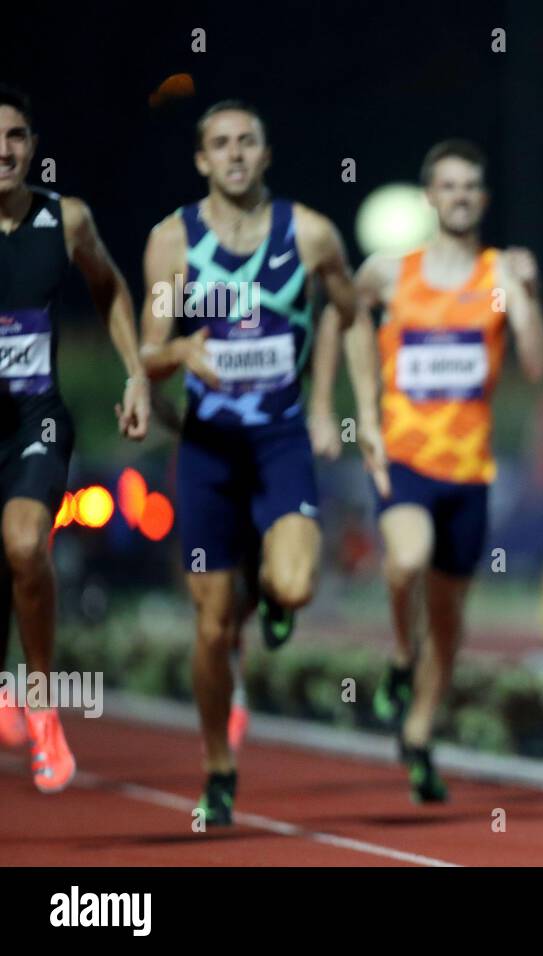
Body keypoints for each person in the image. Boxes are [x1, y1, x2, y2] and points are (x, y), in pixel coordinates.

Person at [139, 100, 378, 825]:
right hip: (209, 448)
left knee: (297, 585)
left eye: (248, 141)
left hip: (279, 440)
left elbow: (348, 312)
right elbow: (147, 351)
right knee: (212, 628)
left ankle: (268, 594)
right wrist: (179, 352)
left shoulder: (309, 233)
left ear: (266, 154)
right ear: (201, 160)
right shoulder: (171, 241)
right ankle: (217, 768)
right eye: (221, 144)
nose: (236, 154)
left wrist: (336, 406)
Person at [323, 139, 543, 802]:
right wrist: (341, 408)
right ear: (429, 198)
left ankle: (419, 734)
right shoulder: (390, 273)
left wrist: (529, 294)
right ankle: (401, 653)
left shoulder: (499, 273)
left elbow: (536, 364)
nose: (459, 196)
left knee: (449, 618)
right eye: (447, 186)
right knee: (405, 560)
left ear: (483, 198)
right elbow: (341, 316)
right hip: (404, 458)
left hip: (469, 471)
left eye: (470, 186)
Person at [0, 85, 150, 789]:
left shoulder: (67, 219)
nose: (3, 150)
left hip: (37, 416)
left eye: (15, 136)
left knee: (25, 544)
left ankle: (41, 702)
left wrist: (136, 374)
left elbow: (110, 287)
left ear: (34, 146)